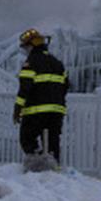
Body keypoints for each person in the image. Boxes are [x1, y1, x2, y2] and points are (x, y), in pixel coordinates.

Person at [13, 28, 69, 166]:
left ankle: (36, 167)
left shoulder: (30, 63)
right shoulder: (57, 63)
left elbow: (24, 89)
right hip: (56, 111)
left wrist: (17, 109)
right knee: (52, 142)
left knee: (27, 139)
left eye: (26, 47)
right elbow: (66, 85)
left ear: (32, 45)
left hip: (35, 111)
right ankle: (54, 168)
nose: (26, 50)